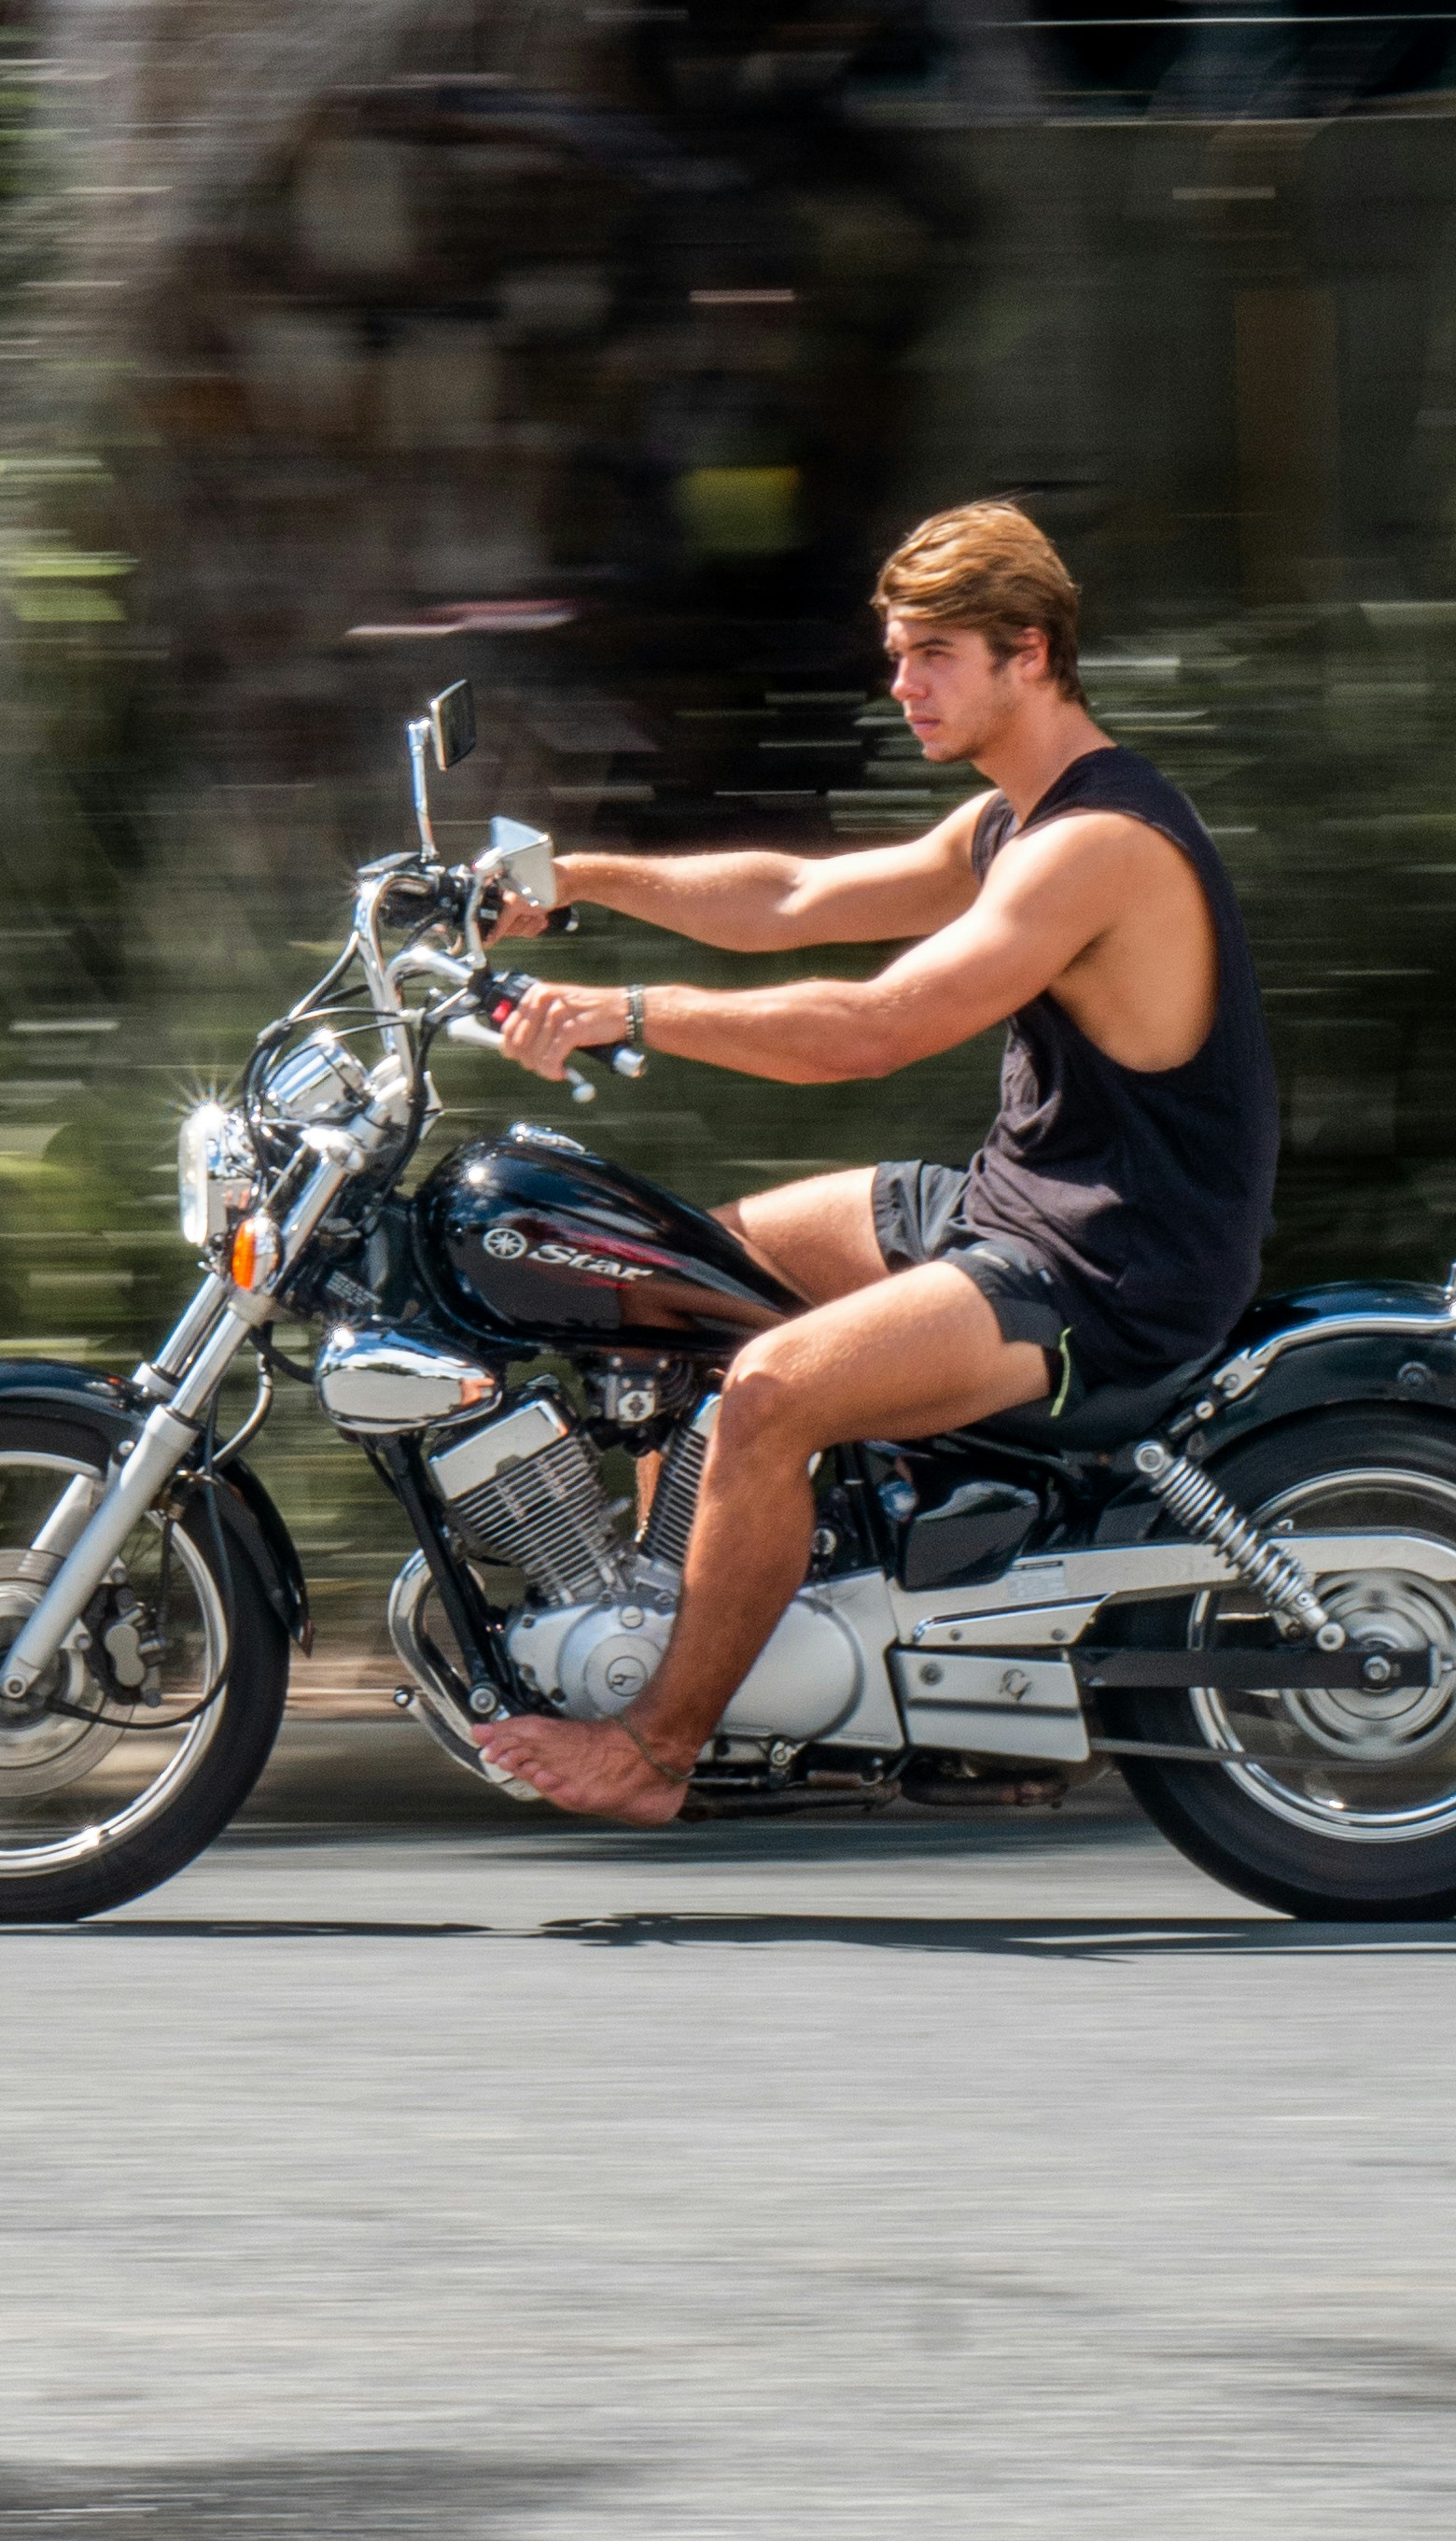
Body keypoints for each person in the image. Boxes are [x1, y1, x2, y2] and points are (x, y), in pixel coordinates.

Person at [477, 498, 1278, 1821]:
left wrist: (627, 1012)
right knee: (675, 1278)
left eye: (933, 656)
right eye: (898, 653)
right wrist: (570, 879)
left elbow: (876, 1029)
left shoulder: (1097, 847)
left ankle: (657, 1751)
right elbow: (792, 900)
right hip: (1020, 1205)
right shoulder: (1012, 823)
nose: (901, 685)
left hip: (1110, 1265)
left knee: (771, 1391)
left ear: (1030, 651)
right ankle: (714, 1624)